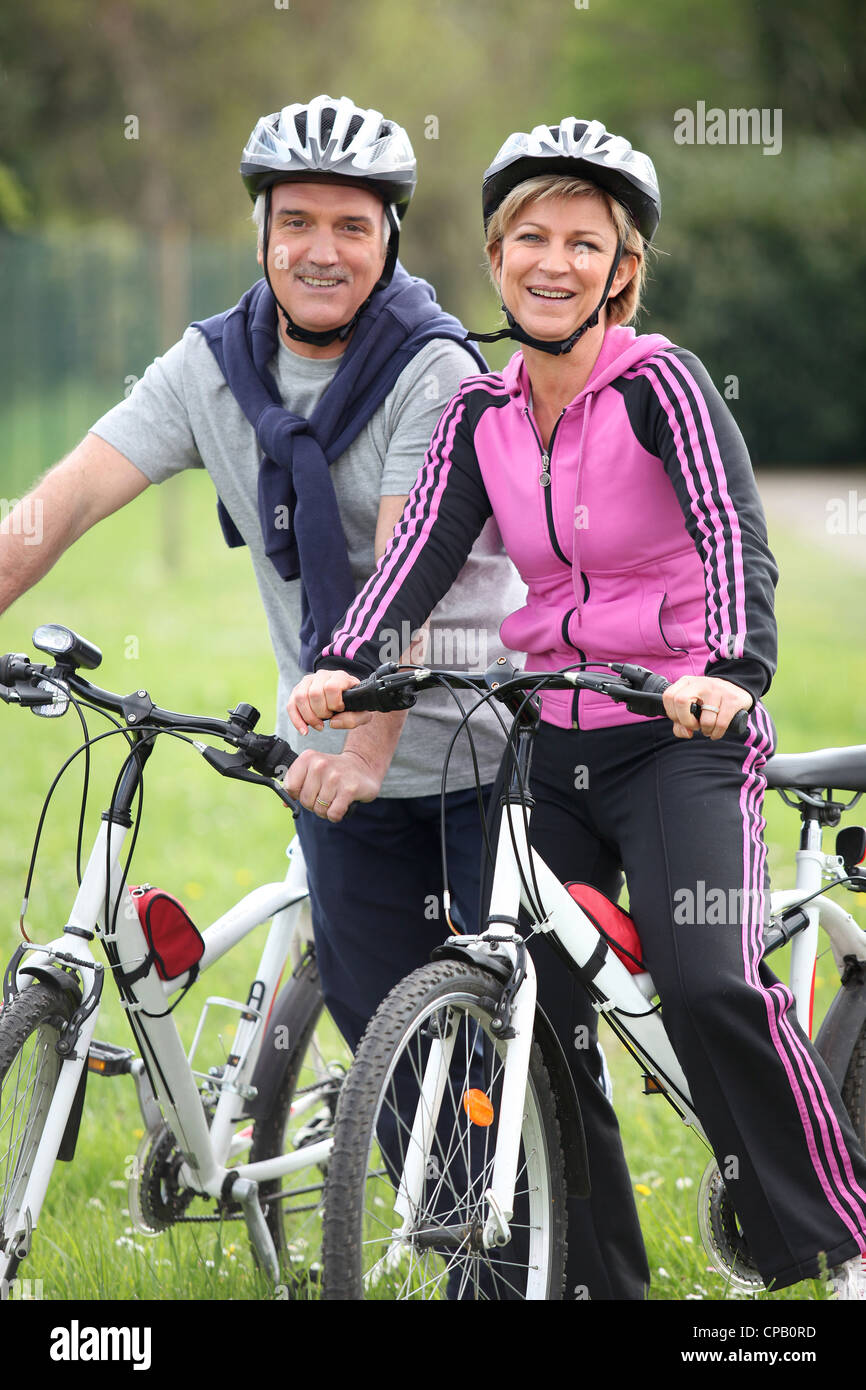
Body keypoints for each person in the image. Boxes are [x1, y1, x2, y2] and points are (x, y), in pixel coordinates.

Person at [288, 117, 866, 1299]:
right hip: (548, 746)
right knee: (535, 1018)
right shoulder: (478, 414)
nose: (553, 262)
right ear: (495, 254)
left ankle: (835, 1230)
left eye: (583, 242)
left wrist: (729, 671)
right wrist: (348, 657)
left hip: (676, 738)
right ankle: (595, 1281)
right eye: (530, 237)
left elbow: (727, 537)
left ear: (621, 269)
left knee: (708, 980)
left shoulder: (660, 384)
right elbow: (414, 565)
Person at [0, 96, 526, 1209]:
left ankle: (545, 1258)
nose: (320, 250)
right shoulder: (211, 368)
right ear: (260, 234)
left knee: (501, 1056)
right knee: (385, 1044)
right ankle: (451, 1247)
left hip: (475, 767)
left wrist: (371, 743)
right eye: (296, 221)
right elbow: (58, 507)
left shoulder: (430, 370)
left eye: (350, 224)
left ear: (389, 239)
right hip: (332, 773)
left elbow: (404, 576)